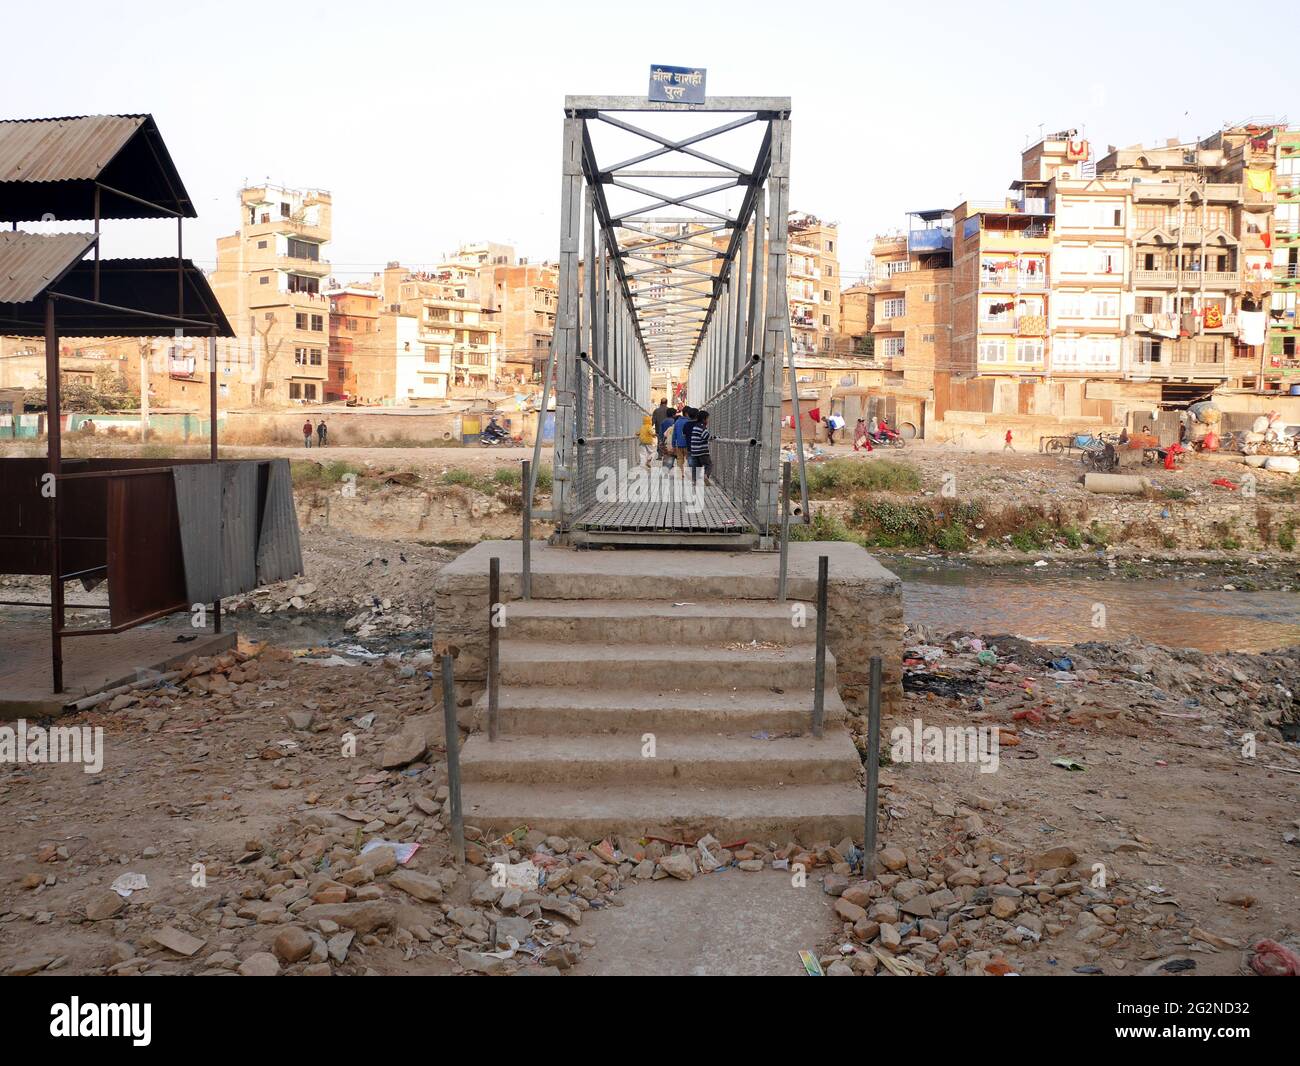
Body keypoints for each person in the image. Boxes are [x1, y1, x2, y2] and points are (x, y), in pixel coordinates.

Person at [687, 409, 712, 486]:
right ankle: (706, 476)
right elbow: (705, 436)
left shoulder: (695, 427)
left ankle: (694, 481)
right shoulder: (703, 427)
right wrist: (712, 437)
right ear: (704, 419)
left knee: (696, 467)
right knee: (708, 464)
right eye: (708, 418)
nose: (708, 420)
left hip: (694, 451)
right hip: (702, 451)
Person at [672, 406, 695, 477]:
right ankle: (693, 473)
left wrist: (673, 444)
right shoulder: (690, 422)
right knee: (690, 459)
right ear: (687, 413)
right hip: (688, 444)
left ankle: (681, 473)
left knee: (680, 459)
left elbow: (674, 434)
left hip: (679, 444)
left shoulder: (677, 421)